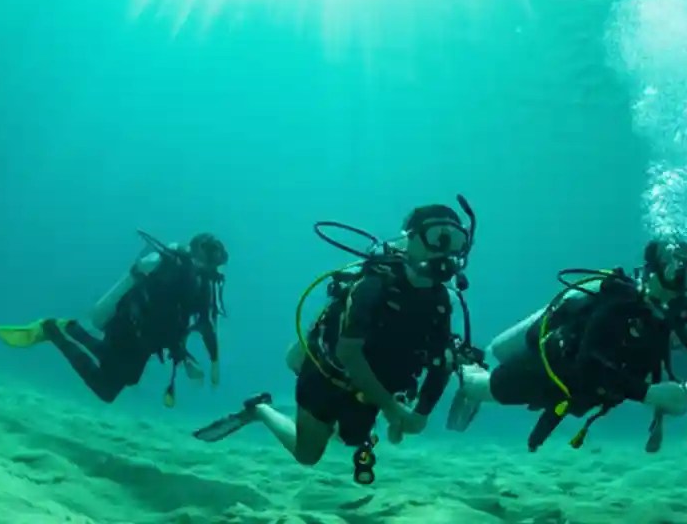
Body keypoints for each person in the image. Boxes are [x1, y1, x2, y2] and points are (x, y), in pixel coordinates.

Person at [194, 198, 478, 485]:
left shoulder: (441, 301)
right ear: (411, 239)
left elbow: (443, 360)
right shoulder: (373, 285)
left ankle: (330, 423)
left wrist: (421, 413)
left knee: (351, 439)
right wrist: (393, 410)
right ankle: (260, 409)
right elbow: (349, 353)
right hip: (327, 377)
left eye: (457, 241)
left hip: (371, 389)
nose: (448, 253)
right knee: (307, 455)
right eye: (438, 238)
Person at [447, 239, 687, 452]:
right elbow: (588, 362)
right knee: (478, 387)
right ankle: (461, 360)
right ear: (656, 270)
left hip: (577, 393)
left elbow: (659, 368)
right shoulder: (618, 302)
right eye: (678, 273)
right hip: (545, 374)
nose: (684, 287)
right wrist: (648, 394)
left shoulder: (663, 318)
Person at [0, 231, 229, 406]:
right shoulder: (169, 267)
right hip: (127, 328)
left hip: (146, 342)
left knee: (115, 381)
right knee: (106, 389)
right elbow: (142, 294)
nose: (211, 268)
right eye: (209, 260)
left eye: (215, 263)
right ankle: (53, 329)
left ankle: (68, 329)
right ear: (196, 252)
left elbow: (205, 324)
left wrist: (211, 361)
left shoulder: (203, 286)